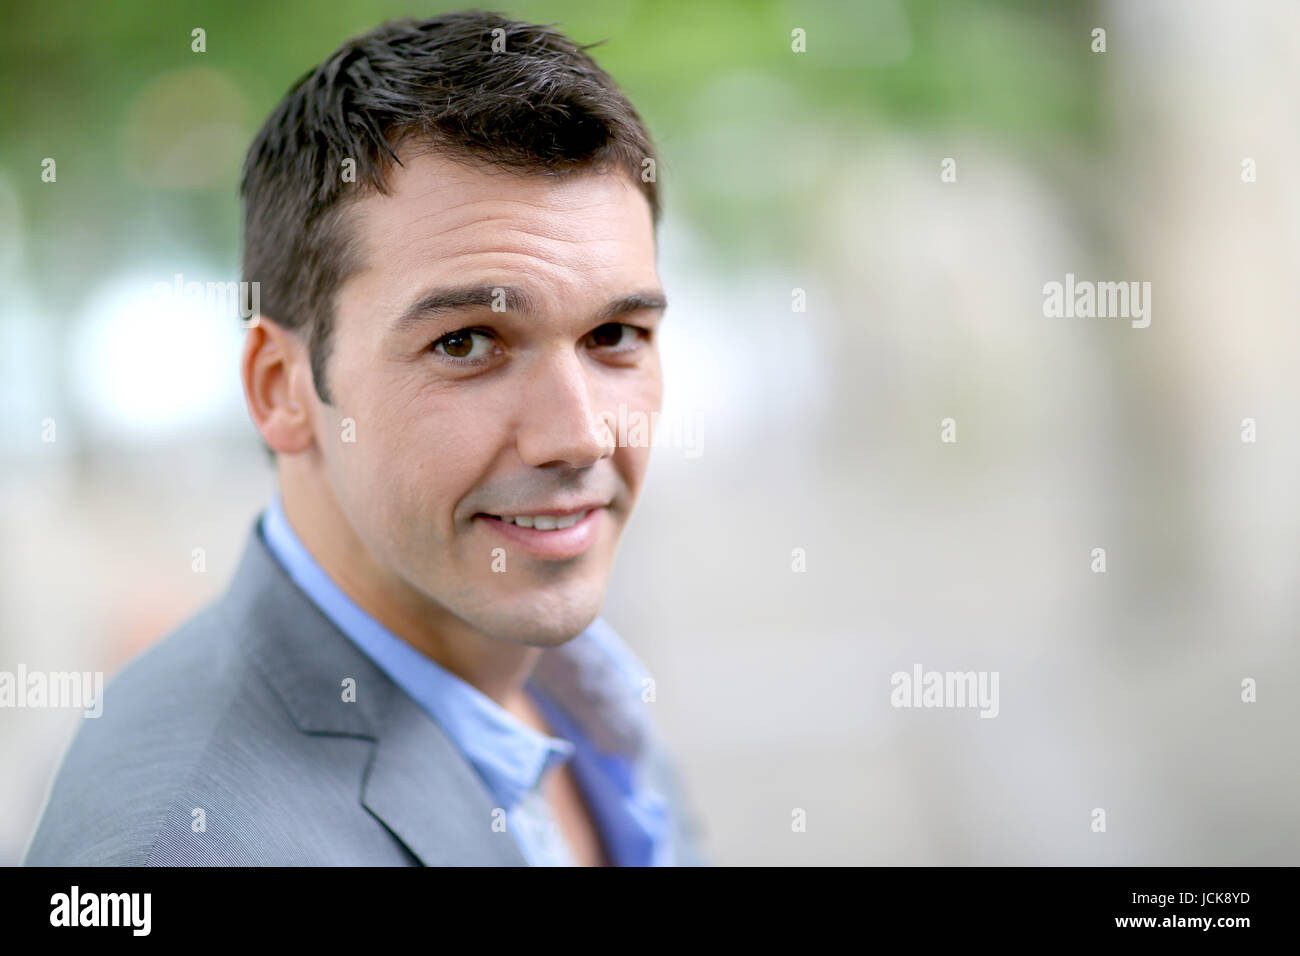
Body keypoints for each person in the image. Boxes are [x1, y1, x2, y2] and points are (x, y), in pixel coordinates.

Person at [24, 10, 707, 867]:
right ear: (281, 390)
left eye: (615, 335)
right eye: (465, 342)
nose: (579, 437)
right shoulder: (176, 849)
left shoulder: (581, 690)